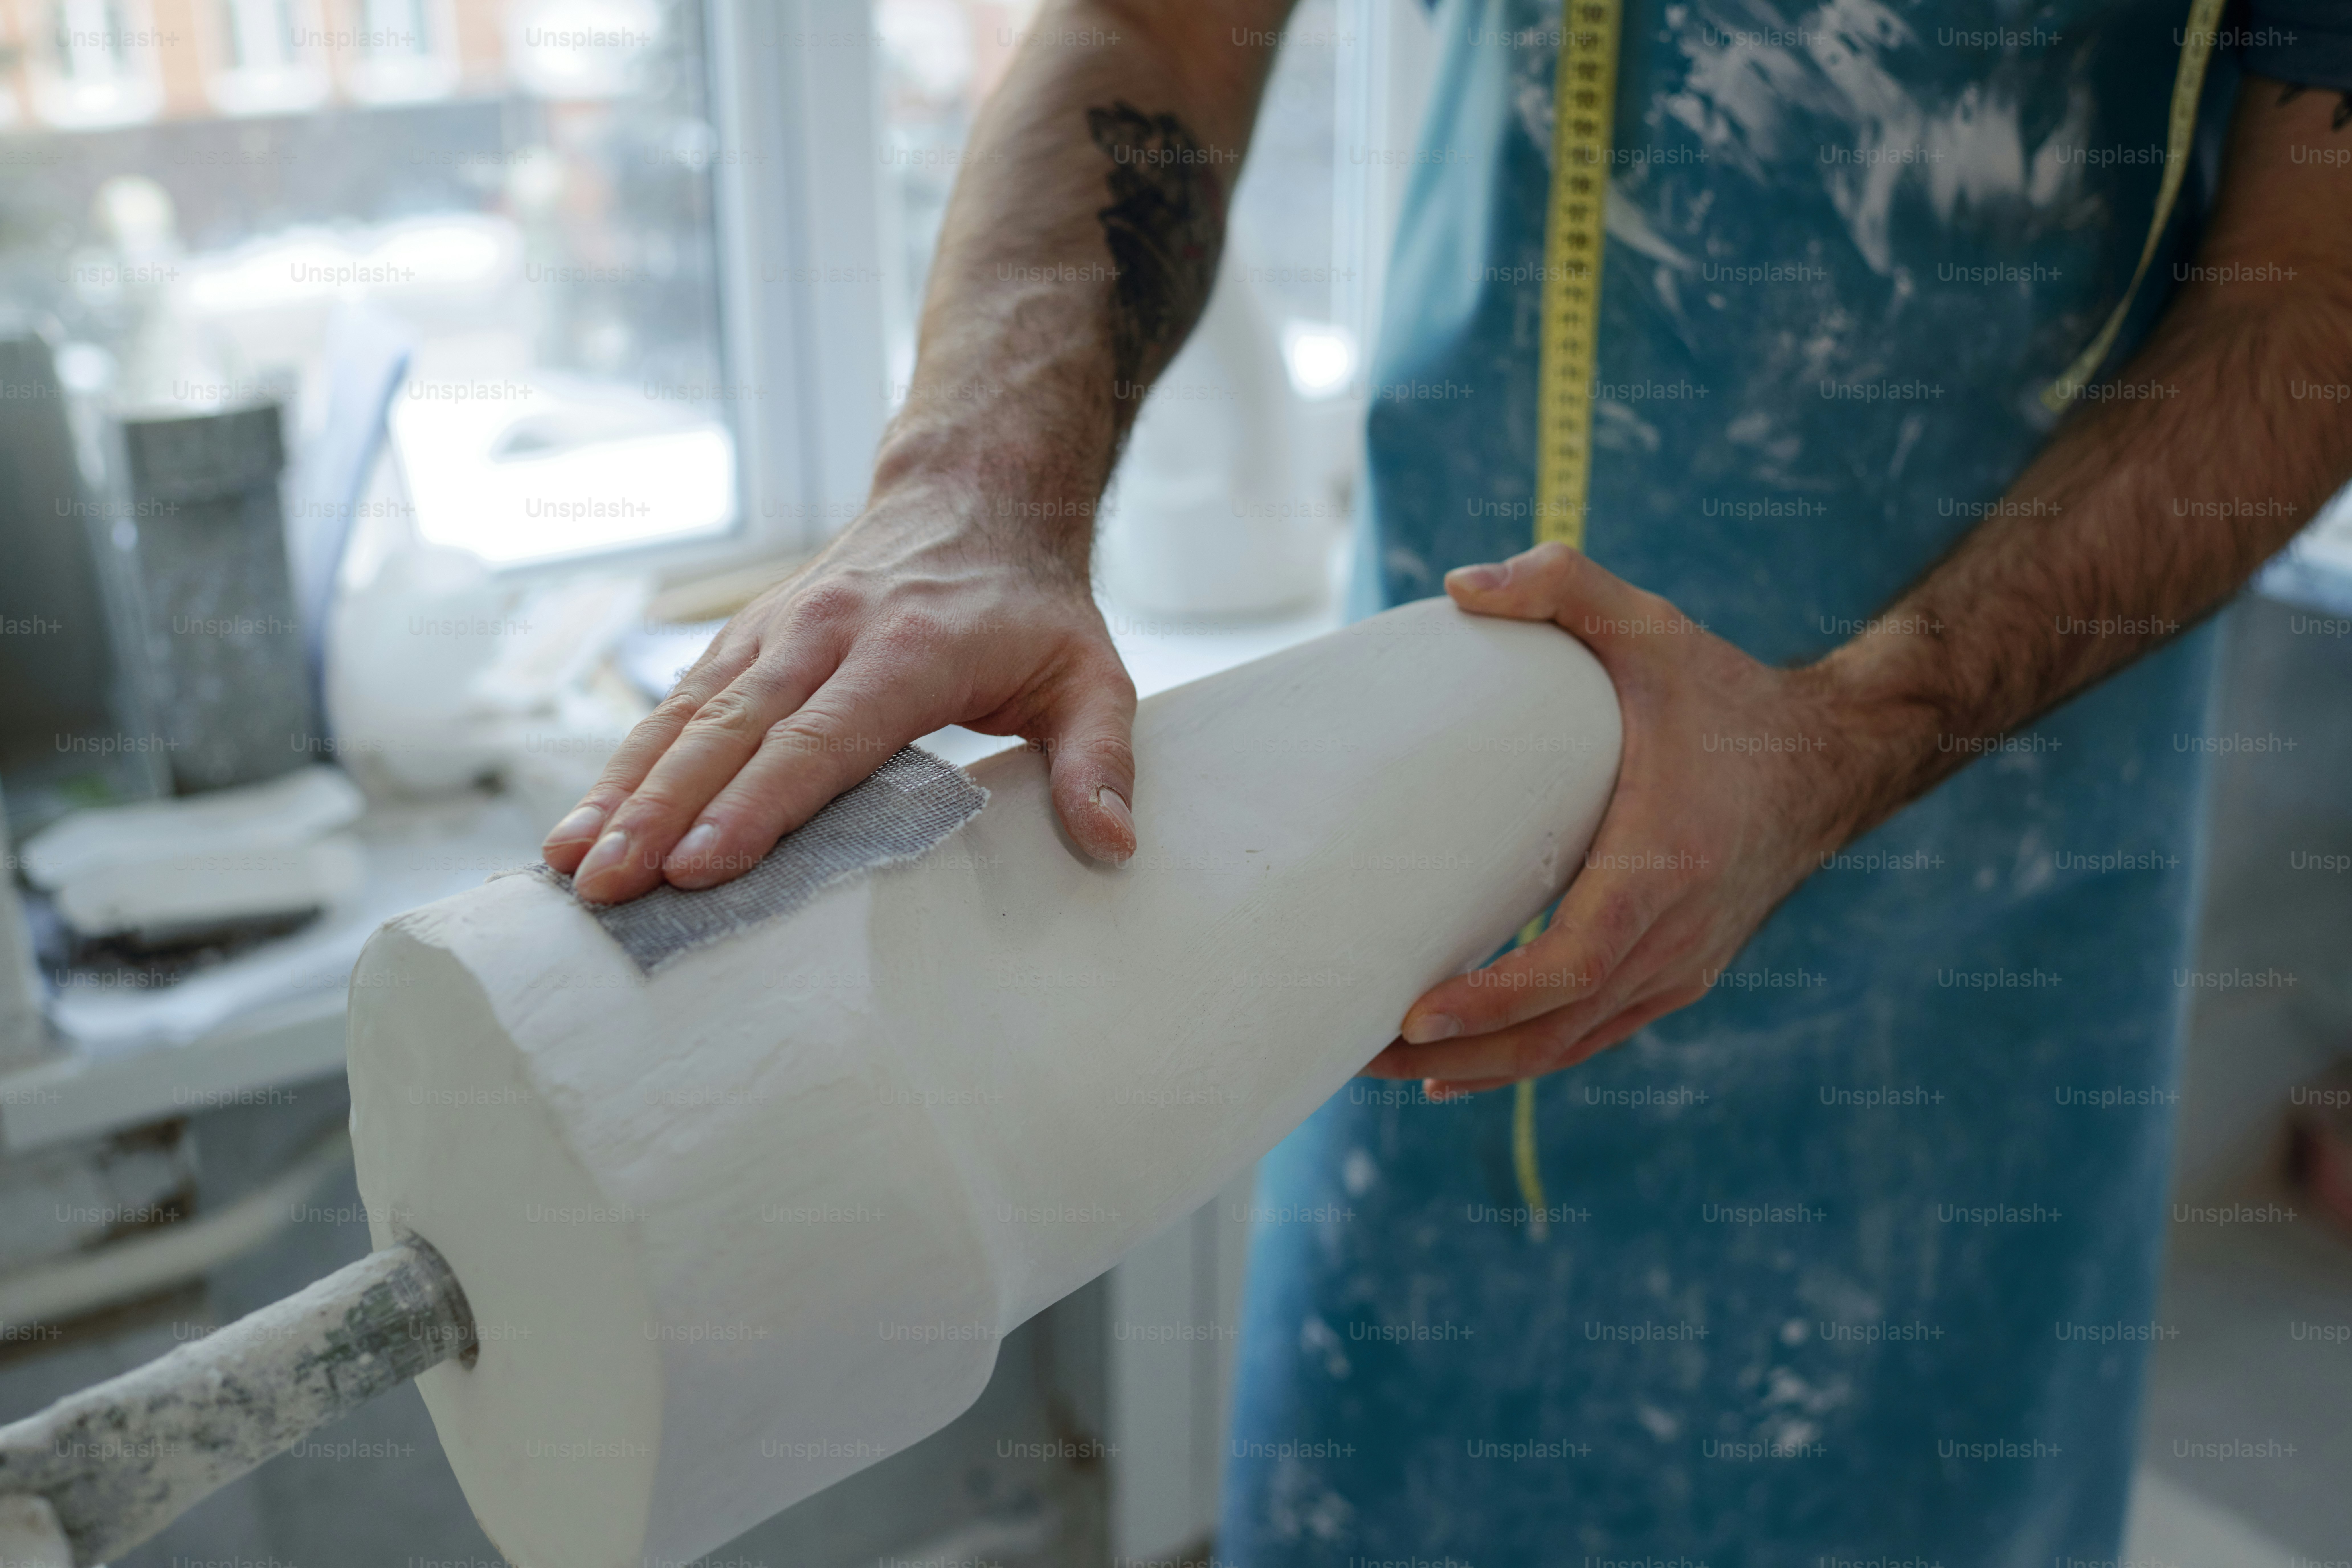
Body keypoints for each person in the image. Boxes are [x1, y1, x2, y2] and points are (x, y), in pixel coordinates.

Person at [540, 1, 2352, 1560]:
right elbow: (1156, 27)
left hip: (1953, 959)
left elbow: (2322, 287)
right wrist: (971, 485)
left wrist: (1850, 737)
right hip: (1406, 892)